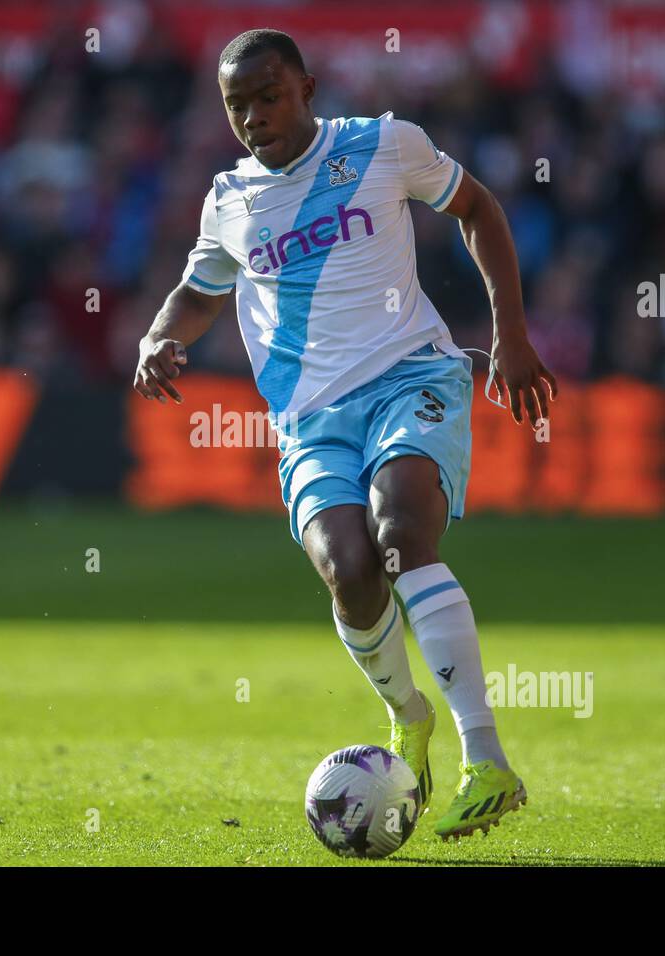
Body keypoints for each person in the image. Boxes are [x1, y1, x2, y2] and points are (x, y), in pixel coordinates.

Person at [133, 29, 557, 840]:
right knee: (351, 569)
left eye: (268, 96)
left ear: (308, 89)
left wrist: (510, 335)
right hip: (310, 419)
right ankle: (408, 715)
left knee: (401, 534)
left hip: (413, 376)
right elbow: (198, 288)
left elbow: (479, 209)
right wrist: (159, 335)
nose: (254, 116)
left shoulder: (382, 146)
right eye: (237, 105)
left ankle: (488, 760)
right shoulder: (229, 200)